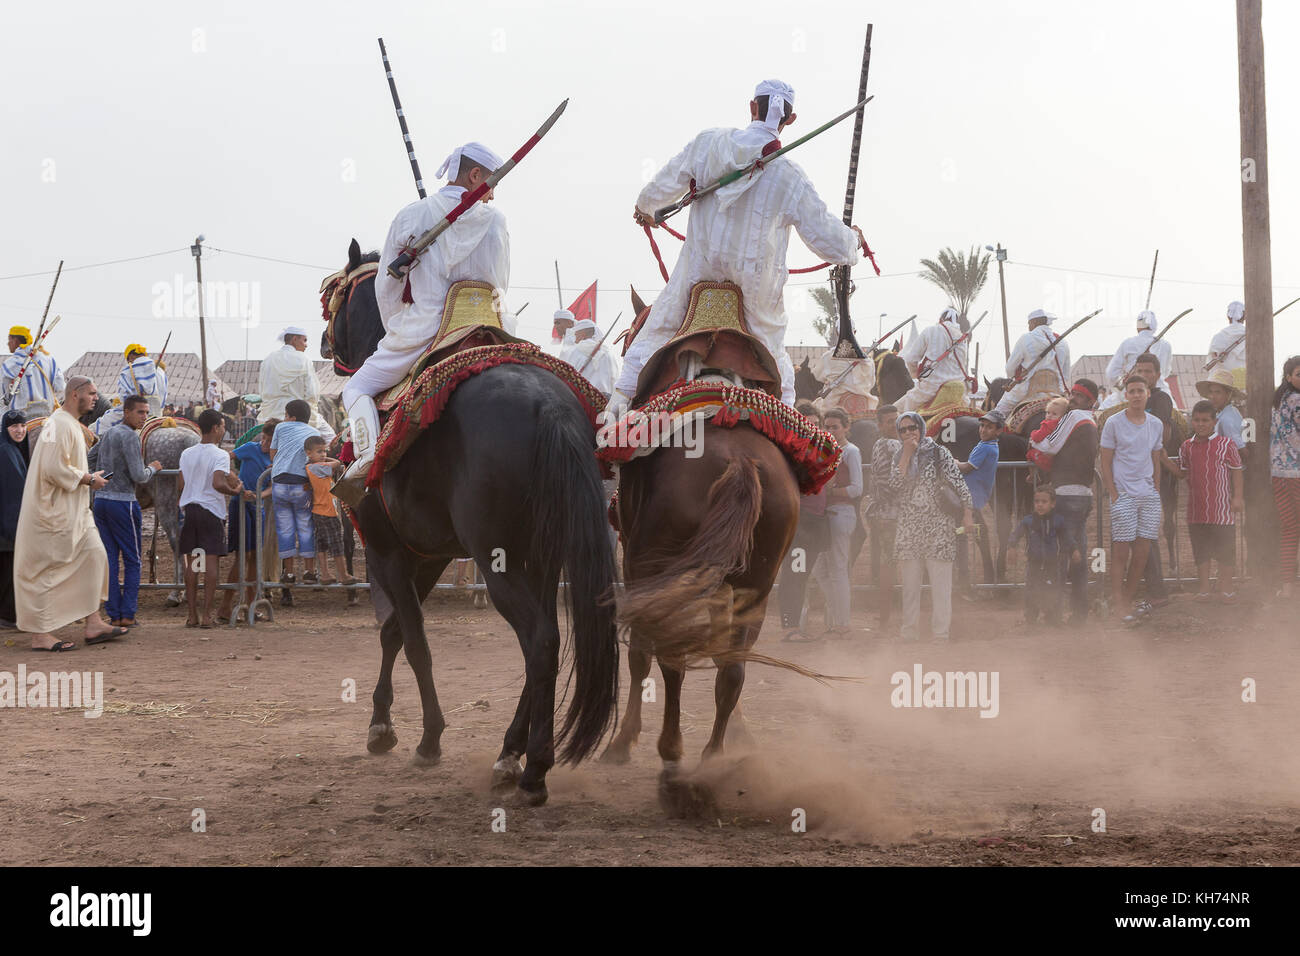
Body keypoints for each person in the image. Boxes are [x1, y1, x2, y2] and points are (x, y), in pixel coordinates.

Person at [611, 80, 865, 411]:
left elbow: (655, 192)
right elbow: (834, 245)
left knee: (651, 339)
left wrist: (646, 210)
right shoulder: (790, 175)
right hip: (756, 301)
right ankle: (788, 437)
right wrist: (854, 239)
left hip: (694, 282)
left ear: (752, 107)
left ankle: (615, 418)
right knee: (781, 376)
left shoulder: (707, 144)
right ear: (790, 120)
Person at [342, 142, 513, 481]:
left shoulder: (413, 215)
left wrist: (396, 326)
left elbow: (386, 286)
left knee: (355, 388)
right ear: (475, 175)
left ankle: (366, 459)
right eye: (492, 184)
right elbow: (499, 284)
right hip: (488, 323)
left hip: (427, 329)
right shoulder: (496, 220)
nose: (492, 195)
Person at [14, 377, 128, 651]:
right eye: (91, 393)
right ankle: (41, 635)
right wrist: (88, 479)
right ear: (75, 394)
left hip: (75, 512)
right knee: (46, 570)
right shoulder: (56, 424)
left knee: (94, 556)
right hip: (53, 513)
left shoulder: (70, 425)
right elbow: (53, 468)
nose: (95, 398)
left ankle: (93, 622)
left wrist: (88, 477)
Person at [887, 411, 976, 643]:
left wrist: (968, 514)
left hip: (939, 527)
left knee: (941, 587)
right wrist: (906, 455)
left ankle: (940, 634)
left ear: (921, 428)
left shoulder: (939, 452)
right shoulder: (898, 455)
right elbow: (894, 486)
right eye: (903, 429)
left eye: (912, 427)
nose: (908, 433)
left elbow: (959, 484)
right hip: (909, 528)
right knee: (910, 588)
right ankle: (909, 632)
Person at [91, 394, 162, 627]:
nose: (144, 417)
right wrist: (153, 468)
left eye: (146, 412)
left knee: (110, 559)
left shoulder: (110, 433)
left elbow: (91, 458)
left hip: (101, 501)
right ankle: (128, 614)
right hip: (123, 502)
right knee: (133, 560)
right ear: (127, 412)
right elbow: (139, 475)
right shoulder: (131, 436)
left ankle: (114, 613)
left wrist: (107, 477)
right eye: (140, 412)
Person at [1100, 375, 1165, 623]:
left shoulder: (1156, 424)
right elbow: (1104, 461)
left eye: (1140, 390)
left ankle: (1127, 599)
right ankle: (1117, 602)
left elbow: (1156, 458)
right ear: (1125, 395)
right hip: (1124, 494)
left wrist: (1156, 490)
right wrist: (1114, 493)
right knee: (1120, 552)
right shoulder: (1113, 423)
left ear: (1148, 393)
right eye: (1132, 391)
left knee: (1142, 552)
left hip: (1148, 494)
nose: (1136, 395)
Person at [1035, 379, 1100, 623]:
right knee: (1077, 554)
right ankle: (1080, 613)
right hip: (1083, 494)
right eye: (1072, 394)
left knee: (1060, 555)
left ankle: (1054, 613)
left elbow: (1048, 445)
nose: (1072, 399)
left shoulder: (1073, 418)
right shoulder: (1091, 421)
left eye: (1079, 396)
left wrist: (1033, 442)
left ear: (1089, 401)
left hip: (1066, 494)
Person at [177, 409, 244, 628]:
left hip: (191, 510)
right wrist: (234, 491)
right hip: (211, 512)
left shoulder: (187, 453)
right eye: (223, 426)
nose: (224, 430)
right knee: (211, 562)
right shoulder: (220, 454)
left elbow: (180, 485)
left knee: (194, 564)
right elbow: (217, 483)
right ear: (216, 428)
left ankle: (192, 614)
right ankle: (207, 615)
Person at [1173, 400, 1244, 602]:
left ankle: (1226, 589)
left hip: (1222, 511)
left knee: (1226, 551)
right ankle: (1204, 588)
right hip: (1197, 511)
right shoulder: (1186, 447)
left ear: (1214, 422)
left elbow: (1237, 472)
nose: (1201, 424)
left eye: (1205, 420)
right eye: (1196, 420)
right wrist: (1162, 459)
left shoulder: (1226, 445)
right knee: (1201, 550)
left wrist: (1238, 497)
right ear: (1191, 422)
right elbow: (1182, 473)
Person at [217, 420, 276, 625]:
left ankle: (251, 605)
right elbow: (226, 458)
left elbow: (273, 487)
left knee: (254, 557)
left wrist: (259, 496)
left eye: (270, 440)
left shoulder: (275, 459)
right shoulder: (251, 448)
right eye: (264, 438)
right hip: (239, 503)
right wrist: (235, 481)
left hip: (256, 506)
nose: (265, 443)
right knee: (242, 556)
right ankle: (226, 606)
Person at [779, 404, 829, 642]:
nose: (812, 428)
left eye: (816, 424)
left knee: (803, 575)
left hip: (817, 522)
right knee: (794, 575)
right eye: (807, 423)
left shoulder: (821, 450)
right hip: (800, 523)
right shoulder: (791, 452)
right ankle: (790, 628)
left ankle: (797, 625)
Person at [811, 408, 862, 637]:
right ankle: (838, 618)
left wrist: (833, 490)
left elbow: (857, 488)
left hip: (841, 513)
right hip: (824, 514)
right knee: (821, 569)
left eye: (835, 427)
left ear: (846, 427)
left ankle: (842, 622)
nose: (830, 430)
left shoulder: (851, 451)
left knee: (837, 569)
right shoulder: (823, 450)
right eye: (827, 426)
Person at [1007, 486, 1079, 626]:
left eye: (1044, 501)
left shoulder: (1059, 521)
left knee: (1054, 592)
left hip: (1052, 566)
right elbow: (1015, 535)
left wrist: (1074, 549)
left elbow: (1067, 537)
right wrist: (1011, 547)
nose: (1039, 504)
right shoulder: (1027, 521)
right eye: (1037, 501)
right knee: (1031, 593)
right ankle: (1031, 621)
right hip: (1033, 565)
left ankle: (1054, 620)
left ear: (1053, 503)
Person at [270, 399, 320, 588]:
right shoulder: (314, 432)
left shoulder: (281, 428)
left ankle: (288, 573)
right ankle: (309, 571)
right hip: (302, 484)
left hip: (280, 483)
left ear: (291, 416)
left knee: (285, 528)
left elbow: (273, 455)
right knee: (305, 526)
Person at [954, 408, 1002, 593]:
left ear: (998, 431)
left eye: (989, 427)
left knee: (959, 535)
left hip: (968, 497)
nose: (983, 430)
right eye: (982, 426)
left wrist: (954, 462)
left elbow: (967, 468)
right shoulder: (989, 446)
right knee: (967, 533)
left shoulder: (984, 447)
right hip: (974, 495)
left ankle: (963, 582)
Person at [992, 309, 1070, 419]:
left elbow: (1010, 369)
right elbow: (1066, 374)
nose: (1029, 327)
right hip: (1057, 391)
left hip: (1026, 389)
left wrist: (1013, 377)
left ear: (1034, 322)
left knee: (997, 415)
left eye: (1029, 324)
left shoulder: (1026, 338)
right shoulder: (1063, 342)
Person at [259, 326, 333, 440]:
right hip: (298, 417)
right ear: (294, 339)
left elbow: (262, 389)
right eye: (304, 340)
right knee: (331, 439)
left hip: (268, 416)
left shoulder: (268, 359)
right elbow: (312, 393)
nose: (306, 345)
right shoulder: (303, 359)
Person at [304, 436, 356, 588]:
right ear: (309, 453)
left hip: (321, 509)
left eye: (324, 451)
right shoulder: (316, 467)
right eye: (319, 451)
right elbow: (338, 463)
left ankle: (325, 573)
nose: (323, 454)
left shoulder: (313, 467)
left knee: (321, 543)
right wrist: (328, 459)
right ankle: (343, 574)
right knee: (336, 543)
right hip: (327, 512)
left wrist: (324, 458)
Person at [866, 404, 901, 628]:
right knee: (895, 566)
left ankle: (885, 619)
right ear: (880, 425)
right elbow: (888, 483)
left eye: (896, 420)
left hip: (882, 514)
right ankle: (888, 620)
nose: (895, 425)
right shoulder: (893, 444)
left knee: (887, 566)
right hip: (893, 514)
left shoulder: (879, 444)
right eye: (890, 421)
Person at [896, 308, 968, 413]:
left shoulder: (931, 330)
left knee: (898, 410)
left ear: (940, 319)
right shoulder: (962, 338)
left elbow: (911, 359)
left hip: (931, 388)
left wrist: (915, 375)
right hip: (960, 389)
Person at [1271, 356, 1300, 598]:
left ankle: (1288, 585)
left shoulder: (1280, 400)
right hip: (1297, 473)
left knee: (1290, 530)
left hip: (1279, 473)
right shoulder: (1297, 401)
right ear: (1289, 377)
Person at [1102, 311, 1172, 408]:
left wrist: (1119, 389)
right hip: (1161, 392)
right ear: (1154, 325)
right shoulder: (1165, 345)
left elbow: (1111, 373)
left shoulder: (1127, 343)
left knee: (1103, 412)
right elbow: (1165, 372)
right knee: (1178, 416)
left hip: (1130, 394)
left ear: (1138, 326)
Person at [0, 410, 29, 628]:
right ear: (5, 429)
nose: (19, 431)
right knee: (8, 570)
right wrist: (15, 529)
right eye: (14, 427)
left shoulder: (12, 450)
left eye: (22, 426)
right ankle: (8, 615)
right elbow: (13, 494)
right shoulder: (6, 452)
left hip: (9, 523)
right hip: (8, 526)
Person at [2, 325, 66, 417]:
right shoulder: (49, 360)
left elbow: (4, 398)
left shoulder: (9, 365)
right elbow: (60, 387)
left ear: (15, 341)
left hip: (20, 422)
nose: (8, 344)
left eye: (9, 340)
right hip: (47, 417)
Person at [560, 318, 621, 399]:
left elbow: (566, 376)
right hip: (604, 400)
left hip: (581, 399)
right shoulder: (607, 353)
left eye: (576, 334)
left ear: (583, 334)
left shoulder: (574, 351)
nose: (575, 338)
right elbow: (614, 380)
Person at [1197, 368, 1248, 462]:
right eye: (1211, 392)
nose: (1212, 396)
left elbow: (1241, 450)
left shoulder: (1226, 420)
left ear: (1228, 394)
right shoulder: (1231, 411)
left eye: (1218, 392)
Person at [1205, 300, 1247, 393]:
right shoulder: (1252, 337)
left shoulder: (1218, 337)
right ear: (1245, 315)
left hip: (1221, 387)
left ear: (1228, 316)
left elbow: (1213, 361)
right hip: (1244, 388)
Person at [1026, 398, 1069, 471]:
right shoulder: (1065, 425)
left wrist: (1033, 433)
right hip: (1058, 459)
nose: (1049, 416)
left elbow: (1037, 438)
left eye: (1054, 414)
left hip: (1046, 459)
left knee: (1029, 453)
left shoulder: (1048, 424)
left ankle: (1032, 475)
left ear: (1063, 416)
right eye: (1048, 412)